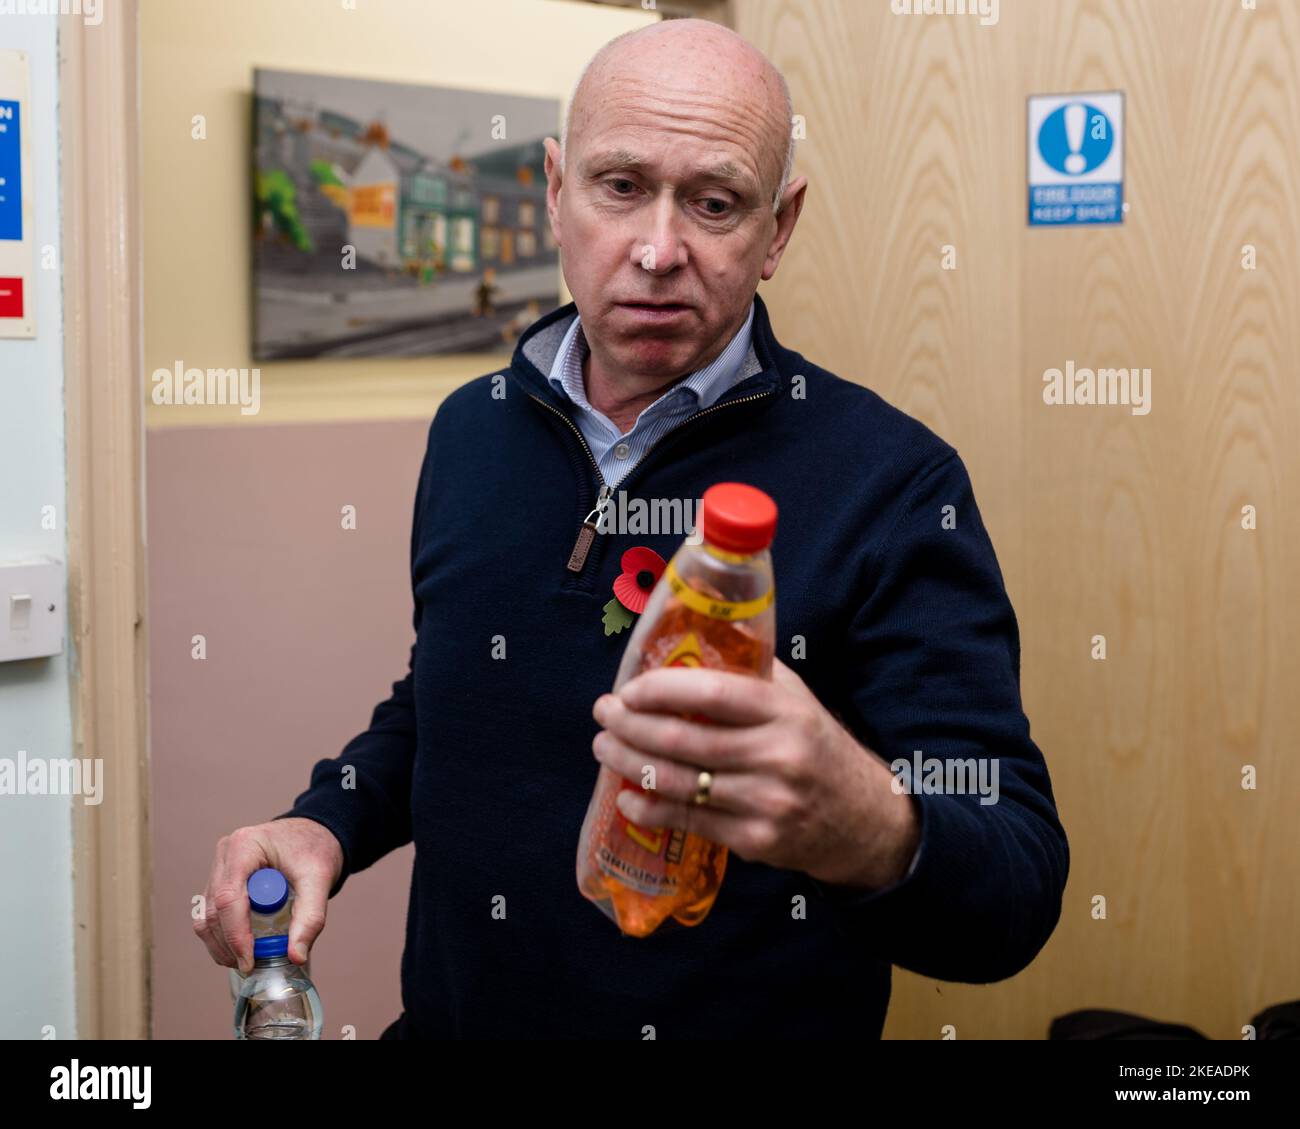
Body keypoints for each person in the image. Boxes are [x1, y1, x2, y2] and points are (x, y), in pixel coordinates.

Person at [196, 18, 1068, 1038]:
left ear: (777, 227)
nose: (658, 251)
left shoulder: (896, 481)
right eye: (619, 187)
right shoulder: (473, 428)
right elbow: (445, 696)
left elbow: (1016, 886)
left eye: (714, 201)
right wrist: (323, 819)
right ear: (555, 192)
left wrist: (866, 823)